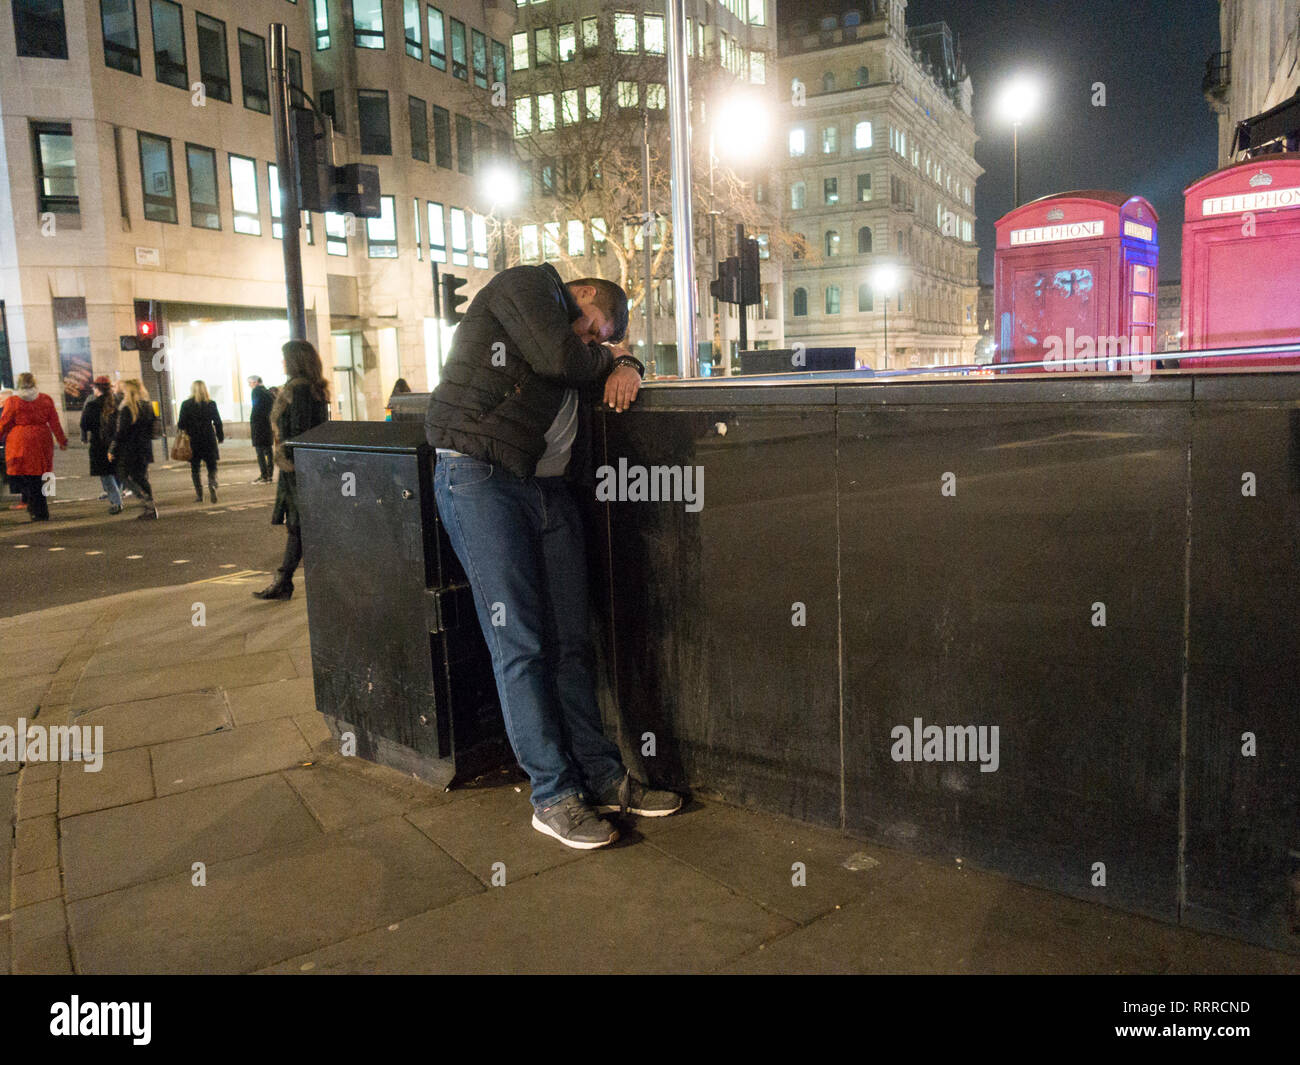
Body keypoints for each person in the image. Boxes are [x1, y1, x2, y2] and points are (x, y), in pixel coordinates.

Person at [425, 264, 681, 850]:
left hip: (546, 489)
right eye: (596, 329)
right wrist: (614, 357)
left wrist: (628, 363)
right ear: (585, 294)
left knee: (571, 640)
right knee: (521, 644)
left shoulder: (575, 343)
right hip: (480, 477)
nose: (592, 340)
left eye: (599, 336)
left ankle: (603, 777)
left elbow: (582, 365)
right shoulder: (528, 287)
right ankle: (553, 795)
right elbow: (559, 359)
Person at [253, 340, 330, 601]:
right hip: (299, 466)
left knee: (300, 524)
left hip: (297, 468)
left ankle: (285, 581)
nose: (282, 363)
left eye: (285, 358)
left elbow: (300, 432)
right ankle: (284, 580)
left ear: (296, 360)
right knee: (300, 525)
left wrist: (289, 456)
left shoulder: (299, 390)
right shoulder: (309, 388)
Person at [0, 373, 68, 521]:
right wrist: (62, 440)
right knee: (39, 474)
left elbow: (4, 423)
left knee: (24, 475)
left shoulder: (13, 401)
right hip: (42, 439)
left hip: (20, 440)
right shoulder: (45, 399)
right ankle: (39, 509)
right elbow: (54, 422)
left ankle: (35, 507)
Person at [108, 379, 158, 520]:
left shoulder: (127, 408)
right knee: (141, 477)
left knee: (123, 475)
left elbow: (121, 432)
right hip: (144, 448)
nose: (122, 392)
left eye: (124, 390)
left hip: (129, 449)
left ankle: (146, 500)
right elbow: (153, 429)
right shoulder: (147, 406)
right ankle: (150, 507)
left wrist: (112, 449)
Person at [176, 380, 224, 503]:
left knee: (195, 468)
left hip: (193, 440)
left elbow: (181, 424)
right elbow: (217, 422)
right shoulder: (211, 404)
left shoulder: (186, 404)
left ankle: (199, 495)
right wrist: (220, 436)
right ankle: (212, 483)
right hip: (208, 438)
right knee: (211, 465)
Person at [80, 376, 122, 514]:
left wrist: (85, 436)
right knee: (115, 471)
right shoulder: (117, 402)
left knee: (106, 474)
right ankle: (118, 496)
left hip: (100, 443)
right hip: (116, 442)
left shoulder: (92, 405)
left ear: (97, 388)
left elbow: (85, 424)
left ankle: (116, 501)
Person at [248, 375, 274, 484]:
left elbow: (256, 408)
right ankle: (269, 474)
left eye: (250, 383)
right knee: (268, 450)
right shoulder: (268, 392)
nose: (249, 385)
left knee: (260, 452)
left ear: (255, 382)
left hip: (258, 426)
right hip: (267, 425)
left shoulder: (256, 392)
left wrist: (252, 420)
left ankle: (264, 475)